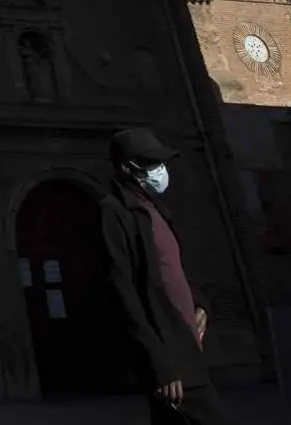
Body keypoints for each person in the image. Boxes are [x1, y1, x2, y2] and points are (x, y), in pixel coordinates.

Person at [99, 127, 236, 425]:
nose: (160, 171)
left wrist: (200, 304)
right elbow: (123, 292)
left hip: (186, 344)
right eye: (150, 163)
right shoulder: (114, 212)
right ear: (127, 167)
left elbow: (175, 268)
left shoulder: (156, 209)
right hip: (172, 357)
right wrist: (159, 363)